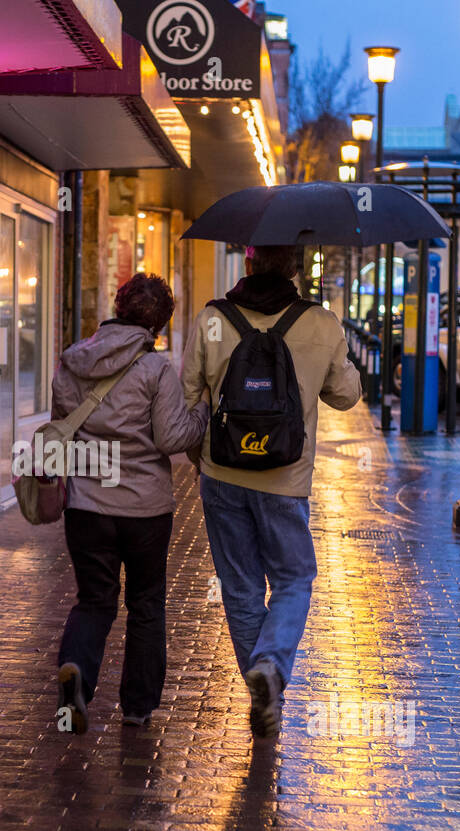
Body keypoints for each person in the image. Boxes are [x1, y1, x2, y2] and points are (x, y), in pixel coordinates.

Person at [181, 245, 362, 738]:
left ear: (247, 264)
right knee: (293, 579)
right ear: (297, 268)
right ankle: (271, 665)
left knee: (240, 588)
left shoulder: (212, 320)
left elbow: (188, 393)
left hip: (223, 474)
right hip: (286, 480)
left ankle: (261, 682)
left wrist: (195, 454)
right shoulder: (322, 323)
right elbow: (346, 395)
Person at [53, 273, 209, 733]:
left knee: (94, 600)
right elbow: (172, 436)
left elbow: (61, 424)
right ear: (160, 322)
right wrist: (201, 414)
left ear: (118, 305)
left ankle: (77, 672)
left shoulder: (73, 360)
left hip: (85, 505)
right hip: (144, 510)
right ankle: (138, 708)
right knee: (145, 603)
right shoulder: (156, 368)